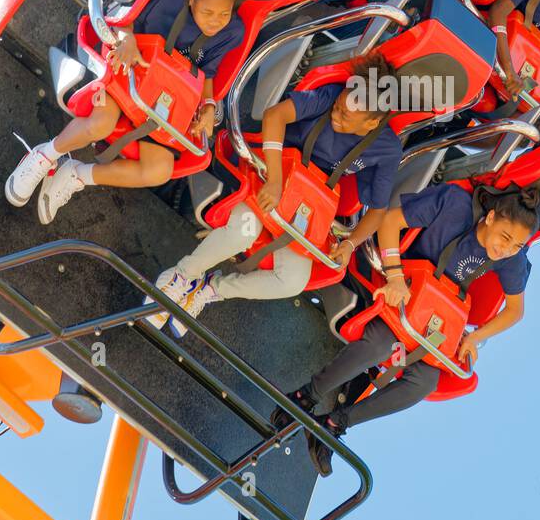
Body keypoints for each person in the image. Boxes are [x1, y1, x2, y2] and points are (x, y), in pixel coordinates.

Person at [275, 182, 540, 475]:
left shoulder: (511, 258)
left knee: (425, 382)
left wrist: (476, 337)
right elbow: (390, 220)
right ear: (490, 217)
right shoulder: (455, 205)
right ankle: (305, 397)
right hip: (398, 290)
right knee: (379, 345)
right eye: (504, 238)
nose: (505, 250)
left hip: (428, 321)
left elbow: (516, 311)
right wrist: (395, 276)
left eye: (515, 245)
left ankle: (334, 424)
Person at [149, 52, 403, 327]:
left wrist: (350, 244)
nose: (337, 115)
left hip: (306, 203)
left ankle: (210, 290)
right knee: (242, 233)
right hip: (273, 171)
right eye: (339, 107)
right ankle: (180, 276)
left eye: (346, 116)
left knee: (292, 281)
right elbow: (275, 116)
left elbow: (378, 210)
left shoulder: (388, 149)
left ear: (372, 124)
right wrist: (275, 181)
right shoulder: (330, 97)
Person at [4, 0, 244, 223]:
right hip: (130, 71)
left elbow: (207, 74)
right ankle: (44, 155)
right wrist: (127, 36)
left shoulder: (230, 32)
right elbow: (125, 8)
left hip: (164, 96)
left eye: (224, 14)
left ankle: (76, 174)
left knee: (158, 171)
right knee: (100, 123)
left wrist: (207, 105)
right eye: (208, 13)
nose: (216, 21)